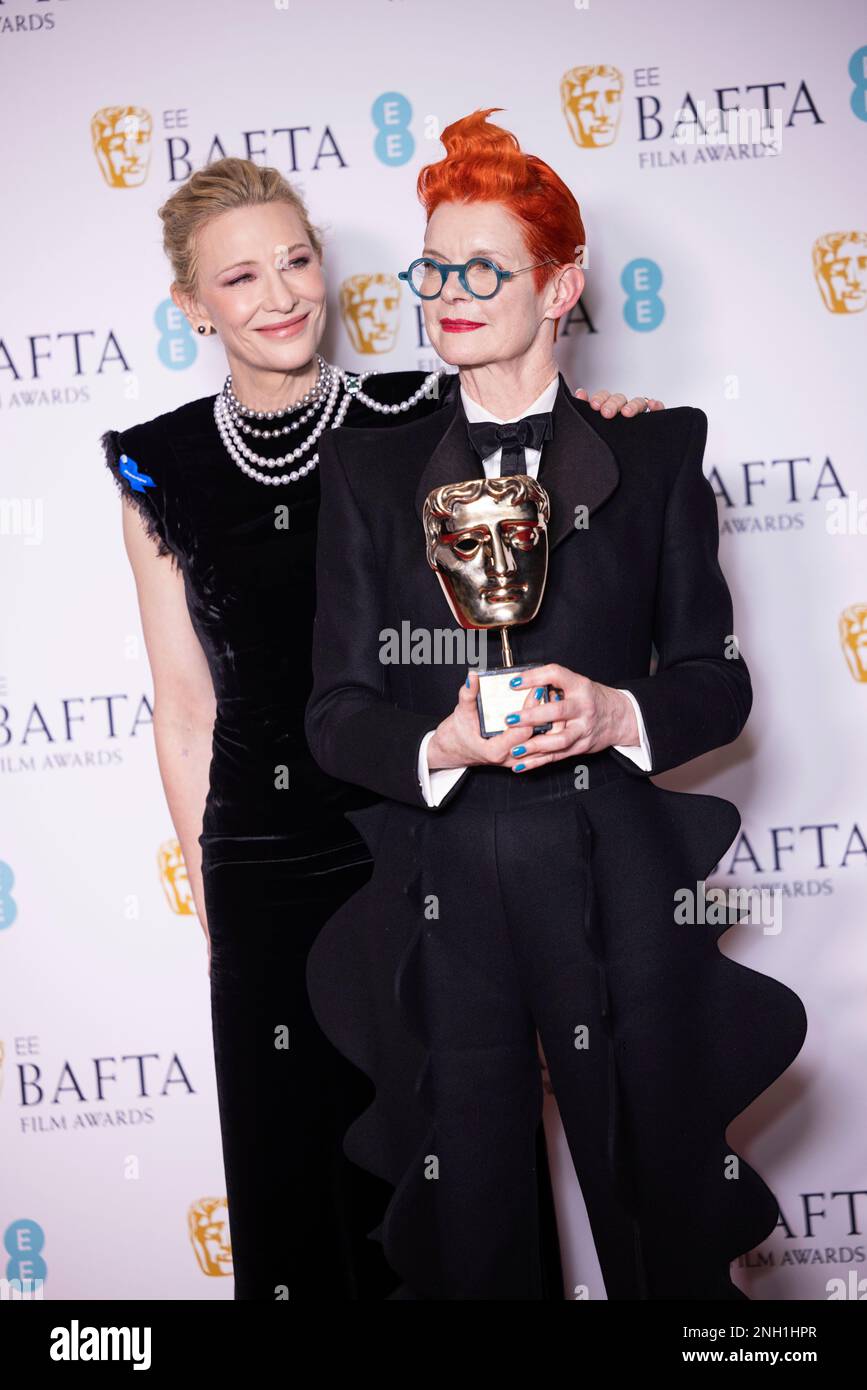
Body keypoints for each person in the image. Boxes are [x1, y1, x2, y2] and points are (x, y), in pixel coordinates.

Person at [99, 155, 658, 1301]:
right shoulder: (159, 464)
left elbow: (539, 422)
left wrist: (609, 422)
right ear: (192, 308)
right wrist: (219, 914)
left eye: (298, 261)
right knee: (293, 1171)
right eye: (241, 277)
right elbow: (185, 704)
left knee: (457, 1176)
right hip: (264, 861)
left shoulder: (420, 410)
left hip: (419, 830)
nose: (281, 294)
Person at [304, 109, 808, 1300]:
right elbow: (334, 710)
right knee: (471, 1238)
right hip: (441, 897)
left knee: (662, 1224)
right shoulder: (371, 473)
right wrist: (435, 739)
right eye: (434, 268)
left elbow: (715, 681)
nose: (451, 294)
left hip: (618, 883)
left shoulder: (657, 453)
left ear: (562, 282)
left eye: (485, 268)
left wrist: (615, 713)